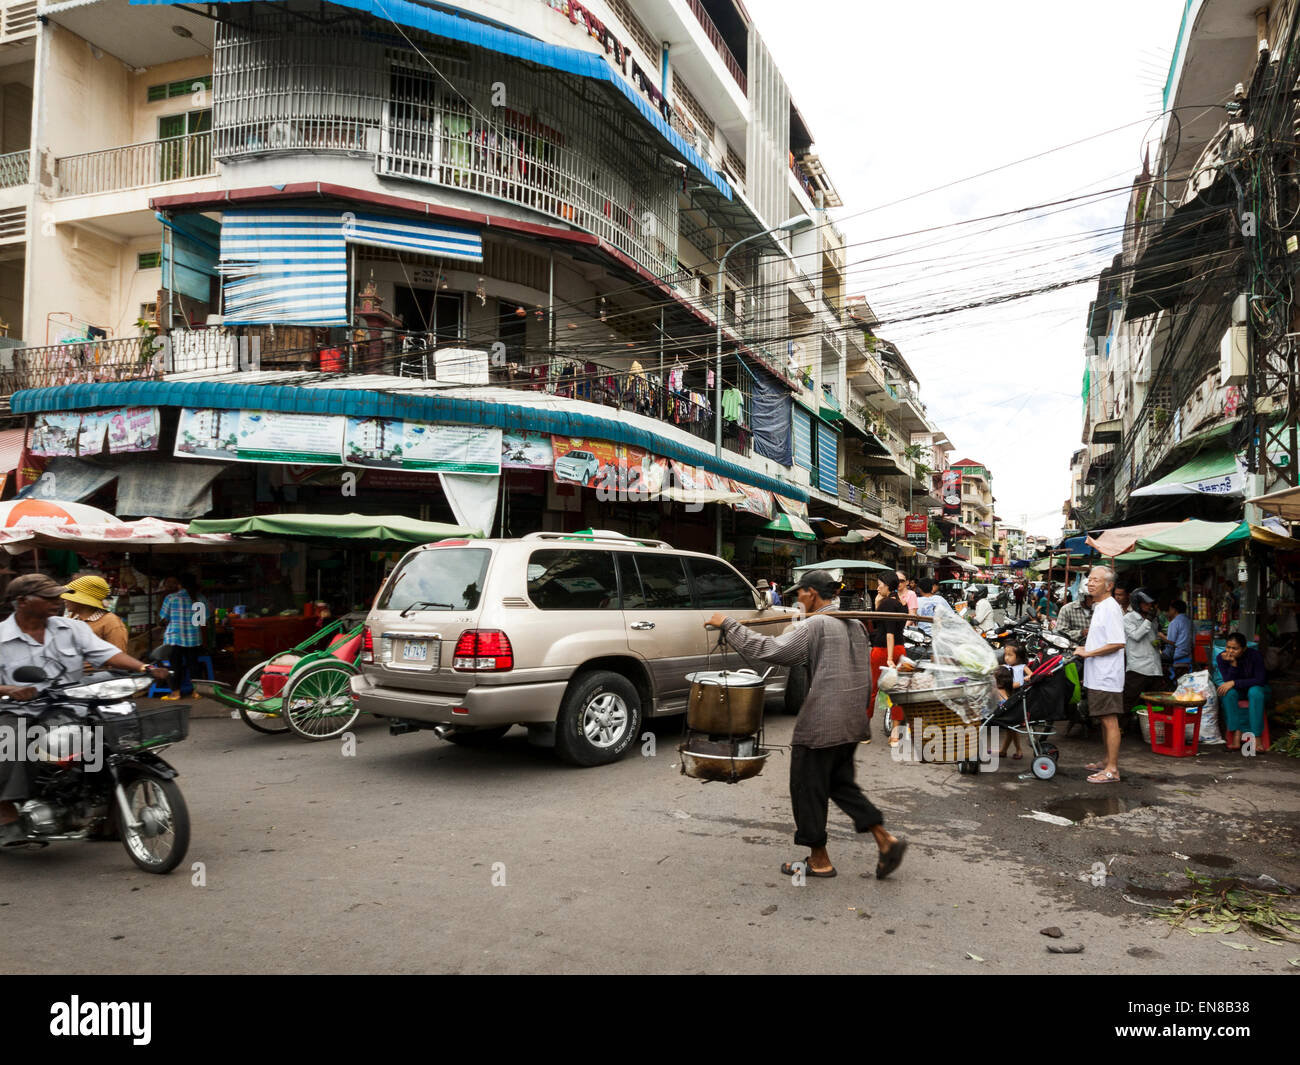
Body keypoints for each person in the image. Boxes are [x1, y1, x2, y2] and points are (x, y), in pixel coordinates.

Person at [706, 570, 907, 880]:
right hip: (851, 722)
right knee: (840, 786)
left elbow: (769, 651)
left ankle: (819, 860)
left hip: (822, 725)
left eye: (799, 593)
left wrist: (728, 625)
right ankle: (885, 840)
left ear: (812, 594)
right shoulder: (854, 625)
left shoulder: (814, 625)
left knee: (806, 788)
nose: (796, 599)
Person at [0, 574, 170, 840]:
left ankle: (106, 813)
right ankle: (6, 811)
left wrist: (143, 667)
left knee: (108, 741)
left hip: (70, 706)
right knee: (11, 741)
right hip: (20, 709)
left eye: (58, 595)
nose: (58, 601)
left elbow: (107, 653)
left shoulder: (72, 628)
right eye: (48, 597)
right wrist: (9, 689)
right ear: (22, 601)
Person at [1073, 566, 1127, 784]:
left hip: (1107, 676)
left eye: (1096, 580)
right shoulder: (1101, 607)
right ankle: (1107, 761)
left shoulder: (1110, 608)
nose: (1090, 583)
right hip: (1098, 673)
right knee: (1105, 720)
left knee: (1109, 720)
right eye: (1090, 579)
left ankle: (1112, 770)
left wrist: (1088, 653)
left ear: (1109, 585)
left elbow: (1117, 643)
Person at [870, 573, 909, 747]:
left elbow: (889, 633)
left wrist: (889, 658)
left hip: (884, 650)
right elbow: (882, 624)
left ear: (887, 585)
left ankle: (864, 731)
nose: (877, 588)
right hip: (900, 649)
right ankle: (894, 734)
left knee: (872, 689)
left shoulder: (887, 603)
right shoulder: (901, 604)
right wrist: (877, 603)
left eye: (879, 585)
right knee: (897, 692)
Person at [1217, 633, 1270, 751]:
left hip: (1258, 690)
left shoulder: (1254, 656)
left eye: (1235, 648)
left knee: (1254, 692)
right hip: (1238, 691)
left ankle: (1257, 738)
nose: (1230, 651)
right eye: (1228, 647)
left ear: (1244, 648)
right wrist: (1233, 664)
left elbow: (1260, 680)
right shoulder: (1222, 657)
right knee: (1228, 693)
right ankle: (1236, 735)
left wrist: (1235, 683)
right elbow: (1227, 681)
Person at [1117, 587, 1166, 714]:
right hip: (1138, 668)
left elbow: (1152, 638)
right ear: (1137, 604)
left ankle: (1150, 729)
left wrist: (1158, 642)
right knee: (1129, 700)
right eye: (1145, 603)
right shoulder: (1128, 618)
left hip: (1154, 667)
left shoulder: (1153, 619)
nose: (1149, 606)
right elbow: (1136, 636)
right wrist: (1149, 620)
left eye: (1150, 603)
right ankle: (1122, 728)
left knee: (1156, 702)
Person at [159, 573, 207, 700]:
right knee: (194, 665)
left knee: (175, 665)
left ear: (180, 584)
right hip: (194, 638)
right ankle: (197, 692)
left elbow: (164, 618)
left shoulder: (171, 598)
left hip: (175, 637)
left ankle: (175, 693)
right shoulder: (200, 598)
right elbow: (202, 620)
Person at [60, 574, 128, 651]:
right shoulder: (73, 617)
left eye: (70, 596)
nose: (64, 599)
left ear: (82, 600)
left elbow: (118, 658)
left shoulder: (112, 623)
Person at [999, 646, 1026, 759]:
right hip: (1010, 697)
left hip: (1015, 697)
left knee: (1011, 727)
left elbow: (1033, 676)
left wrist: (1024, 680)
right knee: (1010, 728)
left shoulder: (1022, 667)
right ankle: (1004, 750)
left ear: (1018, 657)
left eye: (1010, 655)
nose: (1006, 658)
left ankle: (1018, 750)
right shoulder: (1004, 668)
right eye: (1005, 655)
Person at [1160, 599, 1194, 681]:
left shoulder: (1175, 622)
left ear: (1174, 610)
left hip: (1179, 655)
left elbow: (1171, 641)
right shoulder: (1189, 621)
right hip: (1189, 654)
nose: (1169, 611)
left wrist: (1160, 635)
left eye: (1170, 609)